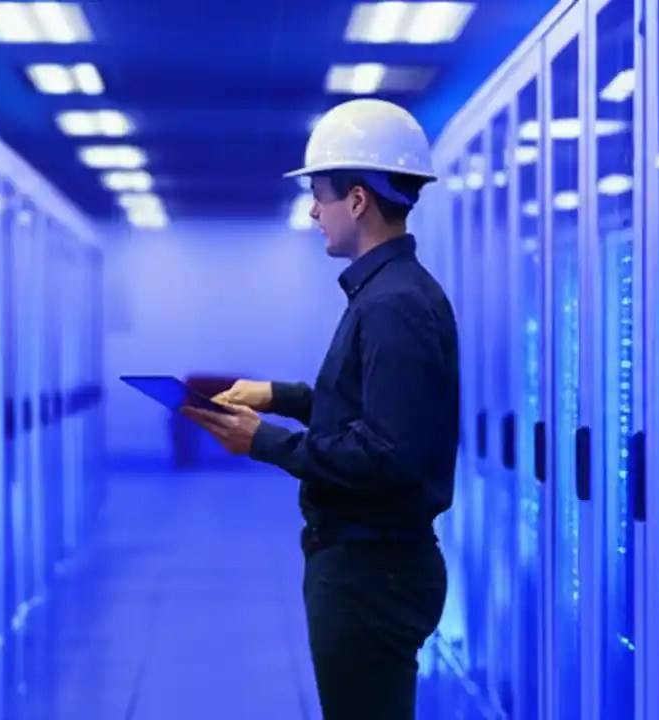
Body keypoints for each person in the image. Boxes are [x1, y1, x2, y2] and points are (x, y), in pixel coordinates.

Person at [180, 98, 460, 719]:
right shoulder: (388, 294)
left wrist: (263, 441)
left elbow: (387, 453)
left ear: (357, 200)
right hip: (369, 565)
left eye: (320, 195)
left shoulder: (392, 305)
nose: (312, 211)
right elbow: (365, 409)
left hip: (371, 572)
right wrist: (277, 396)